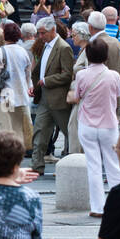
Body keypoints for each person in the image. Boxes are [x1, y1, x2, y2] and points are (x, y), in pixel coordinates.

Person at [68, 37, 120, 217]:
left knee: (93, 166)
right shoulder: (114, 76)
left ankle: (97, 207)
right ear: (106, 56)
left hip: (87, 123)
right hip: (109, 123)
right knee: (113, 165)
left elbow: (76, 96)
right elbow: (117, 95)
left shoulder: (81, 75)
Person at [30, 17, 74, 173]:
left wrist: (46, 81)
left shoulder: (63, 47)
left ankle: (74, 163)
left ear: (53, 30)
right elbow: (40, 70)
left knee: (69, 132)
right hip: (44, 97)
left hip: (58, 98)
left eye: (43, 33)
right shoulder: (46, 46)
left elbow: (68, 74)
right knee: (39, 131)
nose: (40, 36)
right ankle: (37, 165)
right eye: (39, 33)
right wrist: (36, 85)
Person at [0, 22, 34, 151]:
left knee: (5, 126)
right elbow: (28, 73)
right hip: (20, 92)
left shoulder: (0, 51)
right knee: (18, 127)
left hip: (6, 94)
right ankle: (18, 152)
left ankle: (7, 154)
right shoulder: (23, 51)